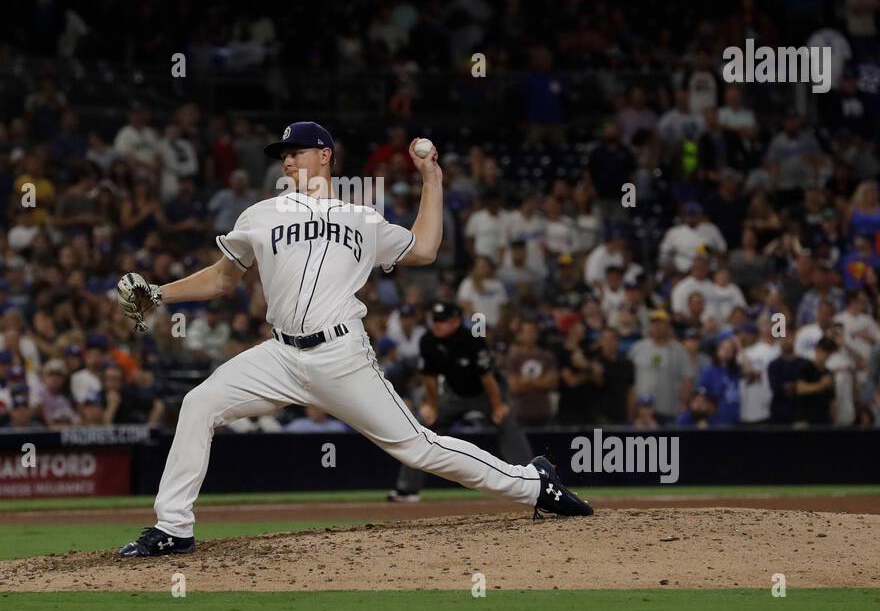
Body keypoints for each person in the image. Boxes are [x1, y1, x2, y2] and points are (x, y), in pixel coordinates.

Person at [112, 121, 592, 558]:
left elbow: (424, 249)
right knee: (199, 403)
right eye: (283, 154)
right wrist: (159, 292)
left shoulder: (361, 217)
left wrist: (432, 179)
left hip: (342, 355)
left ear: (325, 155)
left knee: (417, 447)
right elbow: (221, 280)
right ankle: (173, 527)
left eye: (297, 151)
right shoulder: (260, 214)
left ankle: (533, 484)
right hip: (279, 355)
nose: (287, 160)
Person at [389, 301, 535, 501]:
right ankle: (407, 489)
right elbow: (429, 379)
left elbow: (487, 377)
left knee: (507, 422)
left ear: (456, 322)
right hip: (454, 394)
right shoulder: (428, 340)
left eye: (443, 321)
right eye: (435, 320)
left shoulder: (472, 339)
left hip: (486, 393)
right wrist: (432, 405)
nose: (437, 324)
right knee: (423, 426)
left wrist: (498, 406)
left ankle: (534, 481)